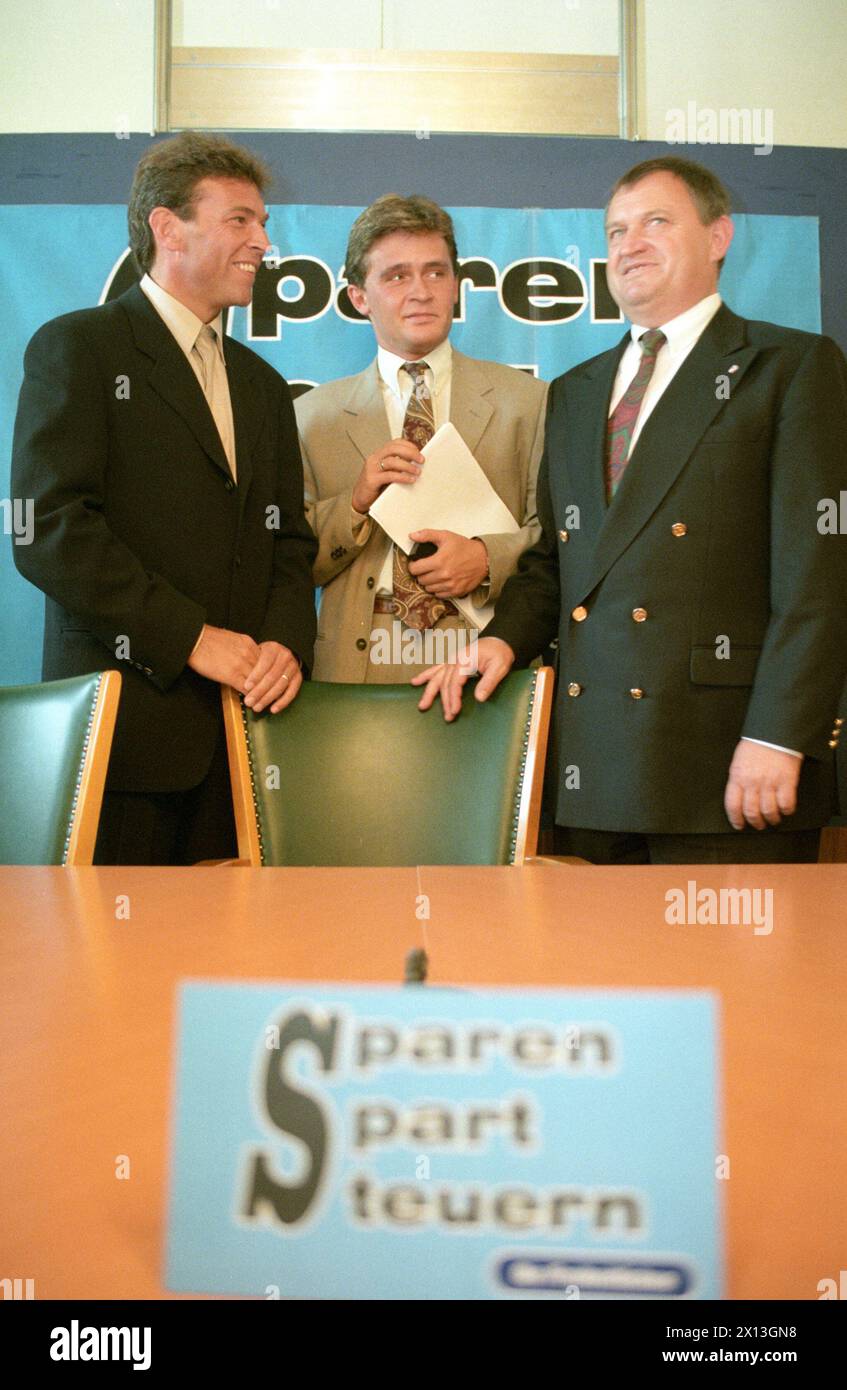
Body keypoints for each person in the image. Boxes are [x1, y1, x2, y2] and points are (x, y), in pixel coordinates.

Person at [416, 156, 847, 865]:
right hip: (594, 773)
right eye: (615, 231)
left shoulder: (788, 367)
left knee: (734, 978)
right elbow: (558, 566)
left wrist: (778, 737)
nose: (628, 244)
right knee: (605, 973)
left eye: (655, 222)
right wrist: (500, 642)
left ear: (718, 237)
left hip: (728, 768)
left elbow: (817, 579)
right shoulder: (576, 390)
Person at [11, 132, 317, 865]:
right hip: (125, 744)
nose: (263, 243)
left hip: (250, 746)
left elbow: (288, 542)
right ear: (166, 227)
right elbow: (49, 529)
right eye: (240, 220)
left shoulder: (262, 385)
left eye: (264, 223)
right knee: (116, 972)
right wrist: (191, 638)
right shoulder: (79, 348)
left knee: (236, 964)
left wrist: (284, 645)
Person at [295, 194, 548, 681]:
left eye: (436, 273)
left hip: (484, 660)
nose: (421, 291)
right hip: (359, 666)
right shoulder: (309, 417)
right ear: (358, 298)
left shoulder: (530, 402)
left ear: (456, 285)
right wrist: (355, 504)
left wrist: (486, 559)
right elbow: (290, 565)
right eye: (396, 276)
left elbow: (559, 544)